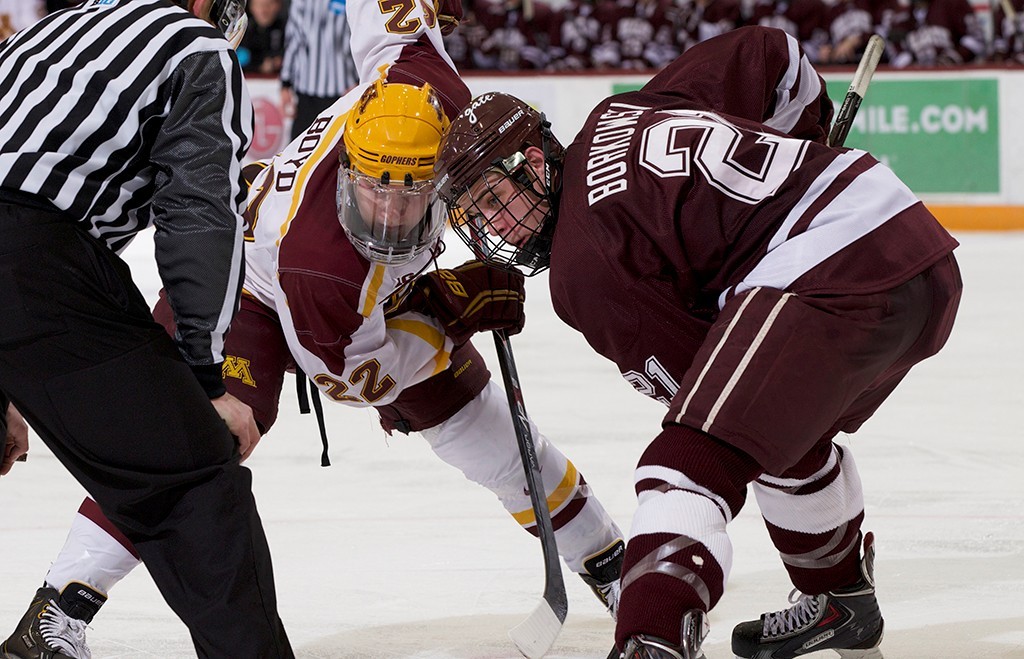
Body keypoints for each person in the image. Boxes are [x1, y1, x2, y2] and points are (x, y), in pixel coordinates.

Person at [2, 0, 624, 656]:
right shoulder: (324, 264)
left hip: (351, 291)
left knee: (484, 429)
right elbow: (354, 376)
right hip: (253, 280)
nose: (388, 213)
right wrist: (445, 312)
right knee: (188, 443)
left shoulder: (420, 75)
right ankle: (58, 610)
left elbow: (386, 16)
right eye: (373, 191)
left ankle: (616, 567)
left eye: (411, 193)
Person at [434, 25, 962, 659]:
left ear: (537, 164)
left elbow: (698, 397)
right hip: (907, 248)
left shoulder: (582, 269)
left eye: (494, 198)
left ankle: (653, 636)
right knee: (771, 437)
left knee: (689, 461)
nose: (494, 227)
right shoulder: (621, 111)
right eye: (473, 214)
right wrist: (803, 151)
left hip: (835, 271)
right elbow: (770, 55)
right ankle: (841, 599)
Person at [0, 0, 295, 657]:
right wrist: (203, 377)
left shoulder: (46, 33)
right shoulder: (196, 47)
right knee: (196, 482)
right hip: (37, 256)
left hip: (24, 261)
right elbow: (196, 214)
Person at [279, 0, 358, 140]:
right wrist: (285, 83)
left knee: (334, 148)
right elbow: (293, 40)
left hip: (340, 88)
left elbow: (293, 41)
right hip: (313, 88)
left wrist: (358, 80)